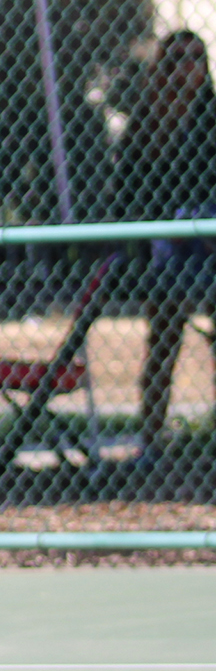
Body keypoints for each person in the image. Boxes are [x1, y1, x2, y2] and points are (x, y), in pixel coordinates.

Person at [114, 29, 216, 457]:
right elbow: (129, 190)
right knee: (164, 336)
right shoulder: (145, 121)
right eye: (176, 59)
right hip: (167, 242)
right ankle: (152, 435)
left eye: (195, 58)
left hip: (208, 236)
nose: (186, 68)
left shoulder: (210, 115)